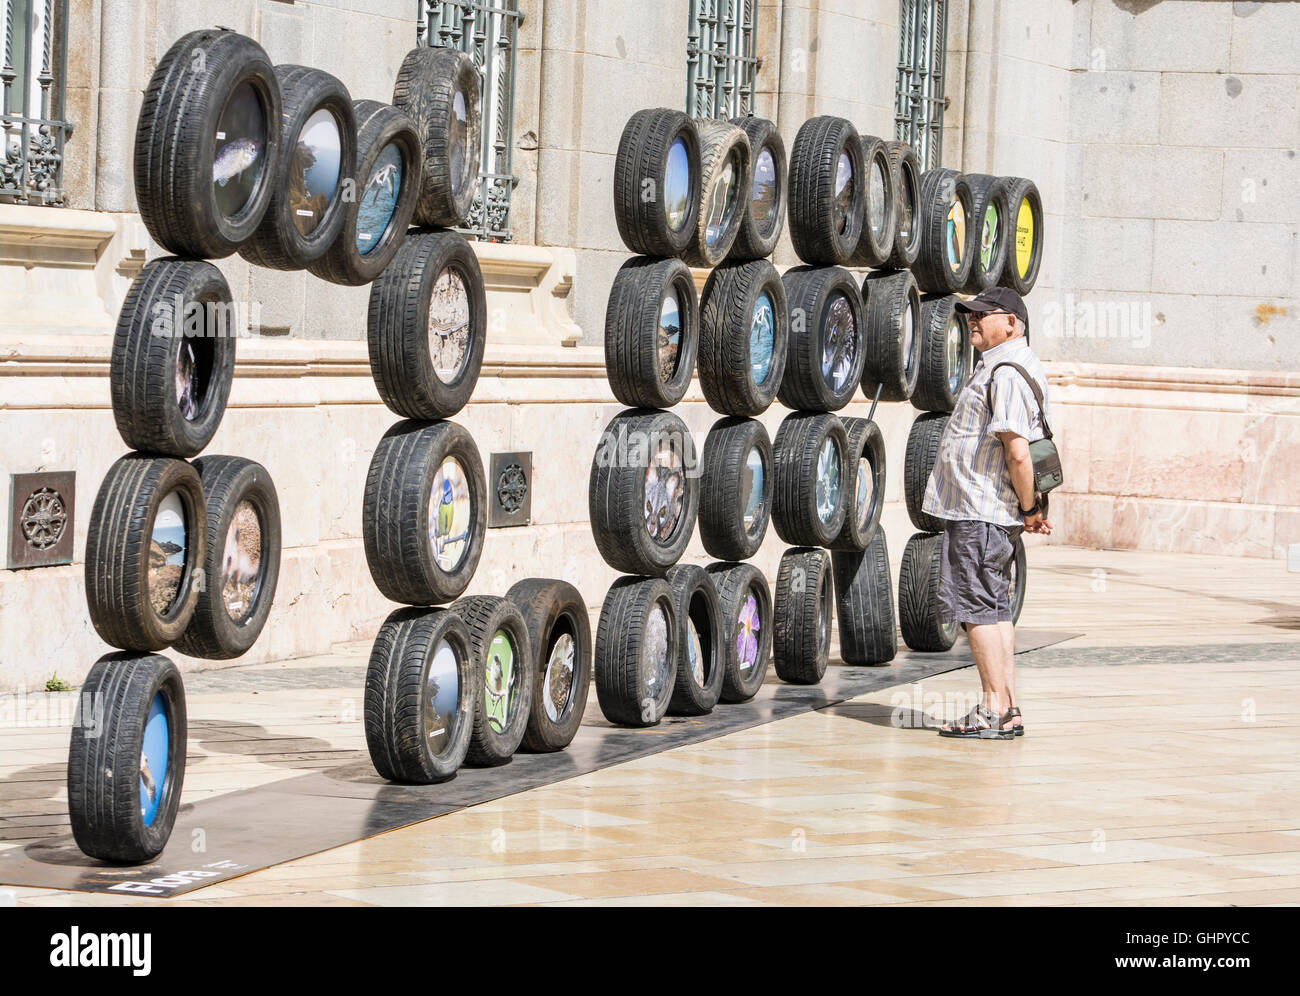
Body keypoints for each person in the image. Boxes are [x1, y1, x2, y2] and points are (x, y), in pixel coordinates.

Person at [921, 286, 1053, 740]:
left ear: (1012, 323)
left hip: (981, 510)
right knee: (994, 609)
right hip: (989, 510)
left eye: (983, 314)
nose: (973, 321)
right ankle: (1008, 706)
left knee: (976, 608)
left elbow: (1018, 453)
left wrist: (1030, 505)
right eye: (970, 315)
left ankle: (993, 708)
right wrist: (1026, 508)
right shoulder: (1007, 367)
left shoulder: (1007, 374)